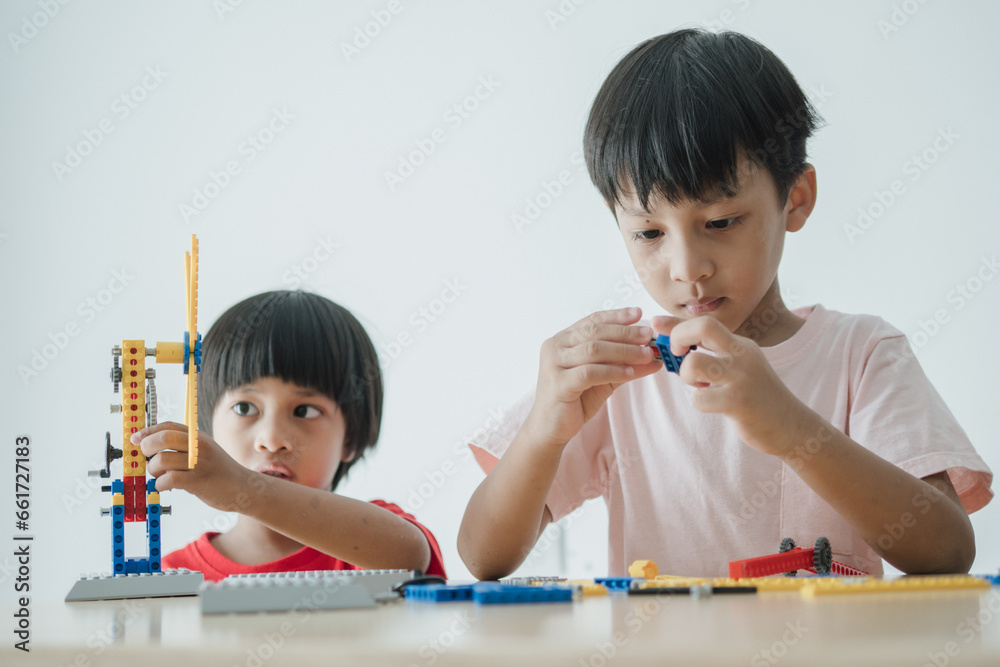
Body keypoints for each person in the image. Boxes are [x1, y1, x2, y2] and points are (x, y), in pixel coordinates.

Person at [458, 29, 992, 580]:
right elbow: (482, 556)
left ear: (795, 200)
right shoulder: (618, 375)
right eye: (648, 233)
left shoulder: (862, 354)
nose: (687, 267)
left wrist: (792, 429)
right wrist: (543, 430)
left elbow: (947, 551)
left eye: (719, 222)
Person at [133, 290, 446, 581]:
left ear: (350, 438)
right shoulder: (172, 576)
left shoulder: (377, 539)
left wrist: (244, 488)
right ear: (207, 430)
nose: (272, 439)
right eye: (244, 408)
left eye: (304, 411)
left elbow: (410, 558)